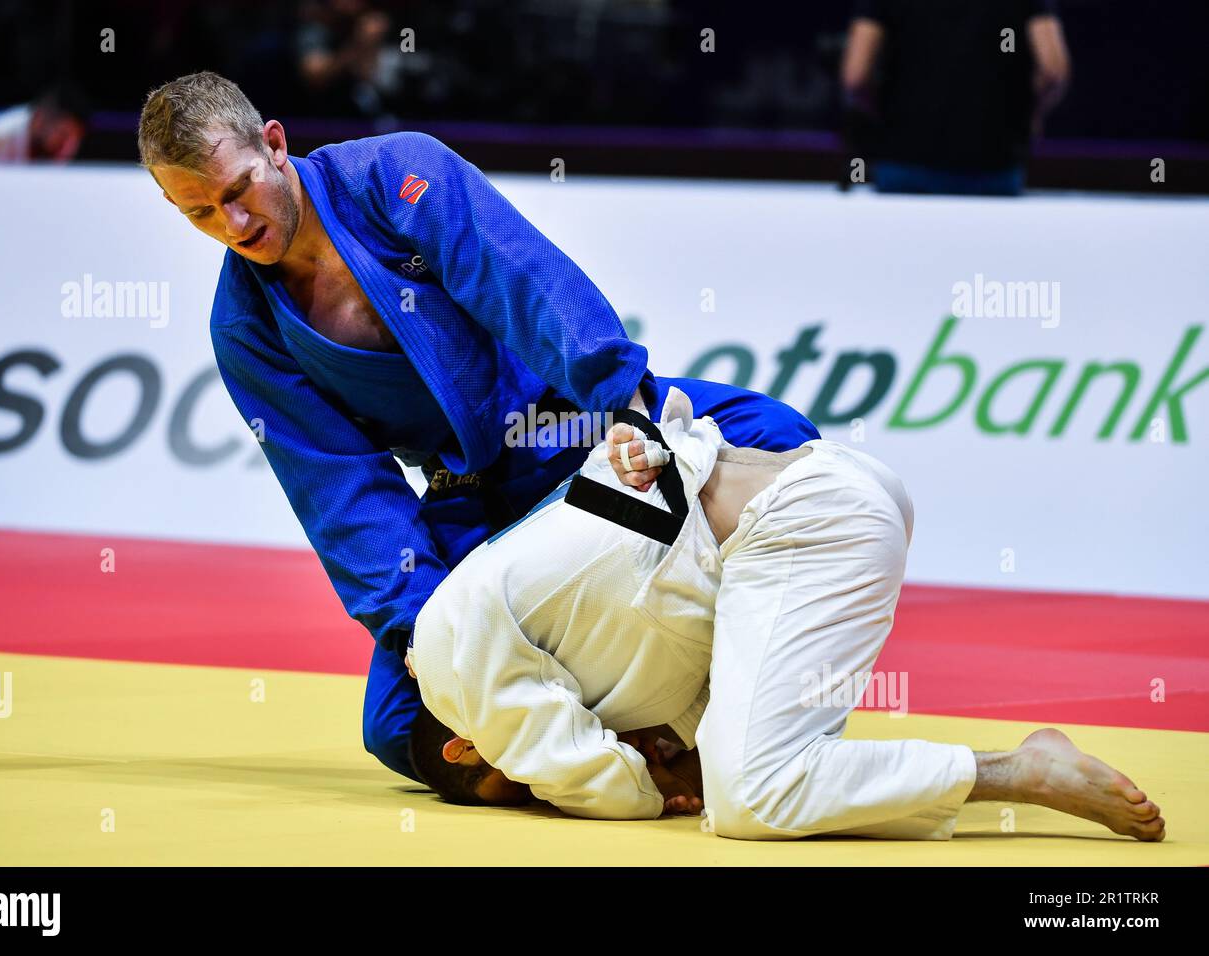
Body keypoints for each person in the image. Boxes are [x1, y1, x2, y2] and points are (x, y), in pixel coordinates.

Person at [137, 71, 819, 781]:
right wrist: (423, 630)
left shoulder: (395, 175)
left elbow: (525, 282)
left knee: (782, 442)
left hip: (576, 426)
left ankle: (731, 713)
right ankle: (636, 745)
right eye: (201, 215)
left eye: (238, 191)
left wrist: (624, 407)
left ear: (274, 145)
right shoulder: (247, 330)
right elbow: (342, 495)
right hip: (472, 498)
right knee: (403, 724)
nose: (233, 226)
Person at [408, 388, 1166, 842]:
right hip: (824, 508)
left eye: (517, 785)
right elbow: (688, 761)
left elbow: (595, 783)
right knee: (764, 777)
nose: (534, 789)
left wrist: (639, 788)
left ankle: (1022, 771)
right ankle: (1007, 774)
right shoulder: (600, 654)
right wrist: (682, 768)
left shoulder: (442, 661)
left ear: (465, 748)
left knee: (755, 797)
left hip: (810, 522)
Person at [841, 0, 1070, 196]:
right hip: (992, 161)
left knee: (905, 247)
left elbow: (856, 77)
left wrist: (877, 112)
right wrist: (1031, 115)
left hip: (904, 159)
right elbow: (1052, 70)